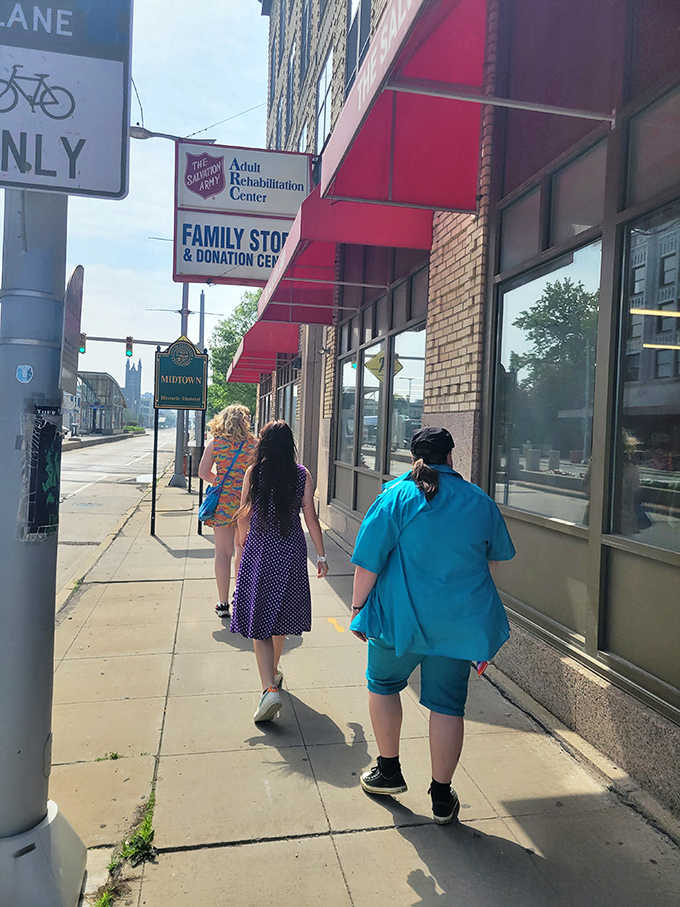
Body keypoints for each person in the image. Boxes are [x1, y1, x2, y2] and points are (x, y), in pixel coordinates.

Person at [349, 427, 515, 824]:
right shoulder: (480, 502)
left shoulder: (395, 497)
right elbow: (488, 567)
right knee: (446, 706)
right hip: (456, 628)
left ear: (413, 457)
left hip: (395, 621)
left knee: (383, 686)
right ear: (452, 458)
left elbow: (368, 562)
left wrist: (358, 608)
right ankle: (442, 797)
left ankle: (388, 771)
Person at [232, 420, 329, 723]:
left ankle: (268, 688)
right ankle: (273, 670)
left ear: (263, 444)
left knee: (258, 619)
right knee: (281, 615)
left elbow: (244, 515)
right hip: (291, 551)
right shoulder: (301, 475)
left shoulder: (254, 473)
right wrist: (322, 555)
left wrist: (241, 543)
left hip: (260, 551)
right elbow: (311, 518)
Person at [198, 404, 255, 619]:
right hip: (246, 504)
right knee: (242, 551)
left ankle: (222, 603)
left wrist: (221, 481)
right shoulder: (254, 445)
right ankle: (240, 600)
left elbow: (203, 472)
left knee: (222, 554)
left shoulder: (216, 444)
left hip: (221, 503)